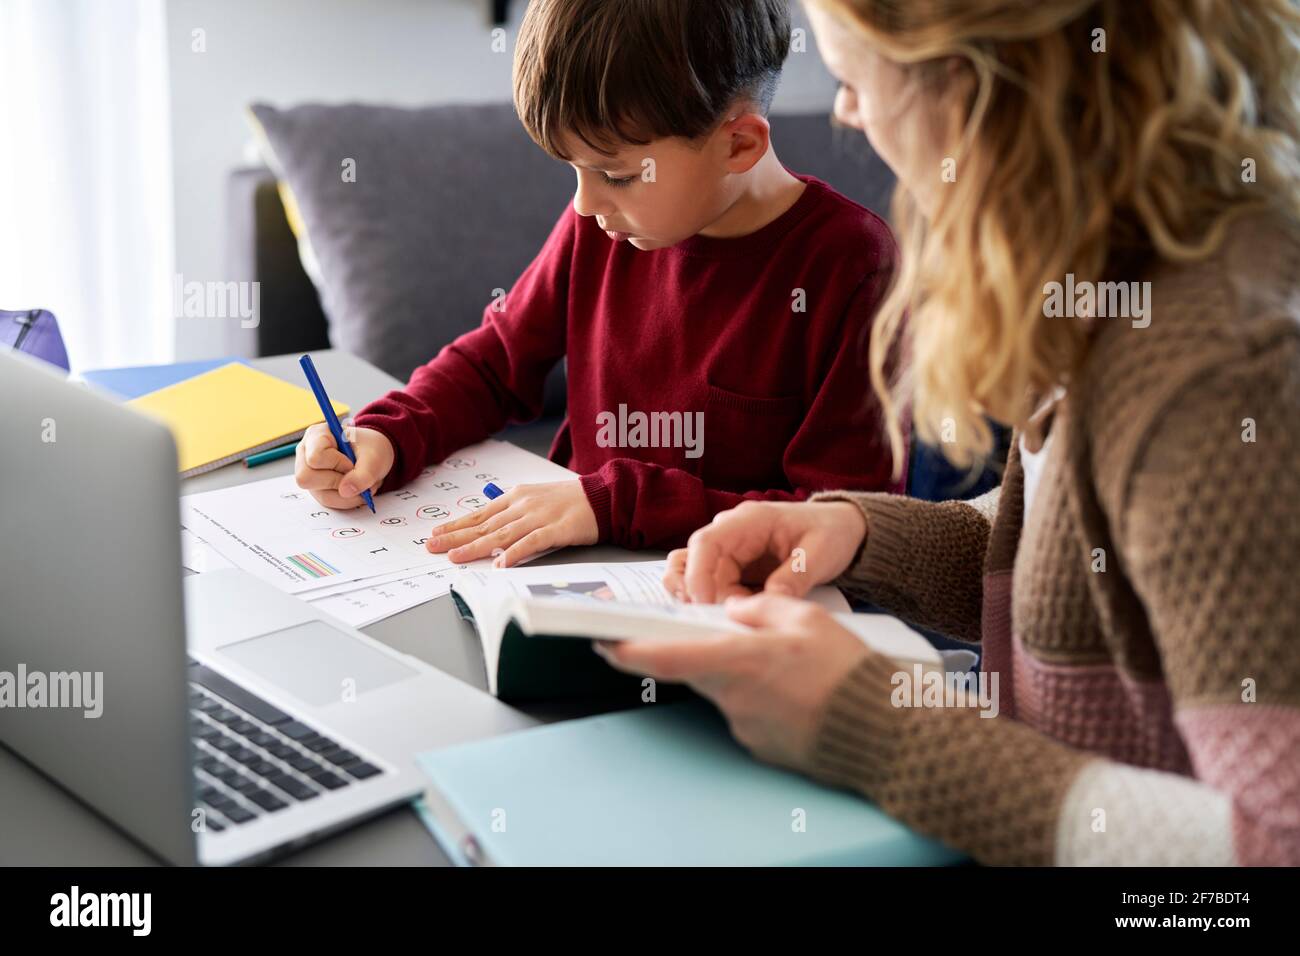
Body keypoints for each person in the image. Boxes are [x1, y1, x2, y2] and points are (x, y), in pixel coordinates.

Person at [601, 0, 1300, 866]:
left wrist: (877, 727)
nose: (849, 112)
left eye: (855, 80)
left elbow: (1273, 849)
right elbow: (1080, 557)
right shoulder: (1115, 270)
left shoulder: (1216, 369)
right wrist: (856, 533)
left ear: (974, 87)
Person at [294, 0, 903, 566]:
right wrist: (388, 433)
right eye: (574, 170)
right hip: (567, 576)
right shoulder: (604, 227)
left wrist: (612, 503)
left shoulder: (853, 268)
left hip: (738, 615)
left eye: (615, 174)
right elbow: (495, 364)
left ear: (738, 144)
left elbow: (843, 523)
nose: (584, 204)